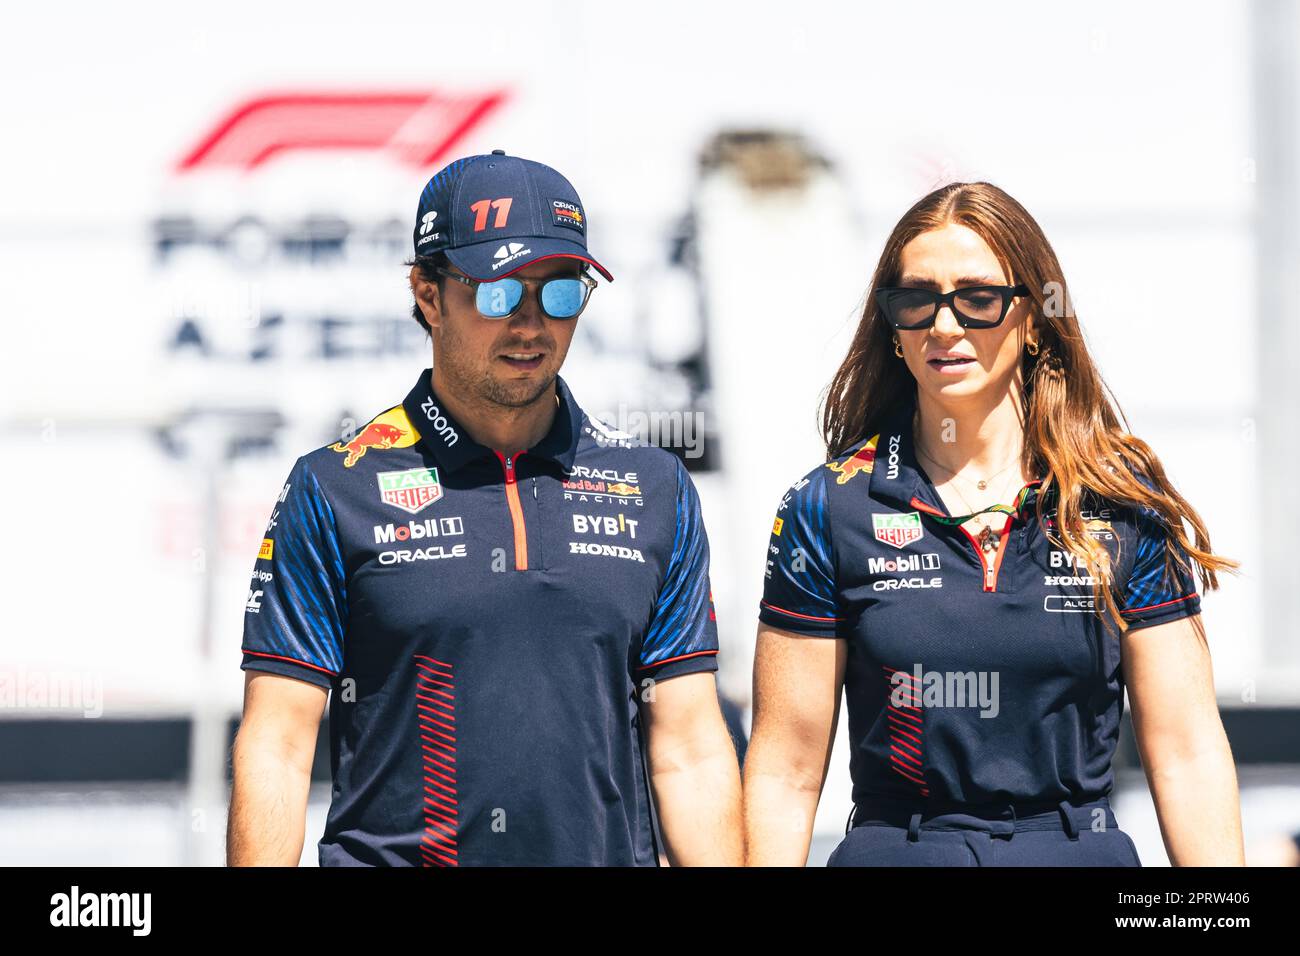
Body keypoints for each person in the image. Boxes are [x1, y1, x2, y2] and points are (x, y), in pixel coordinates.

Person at [228, 150, 742, 866]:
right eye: (500, 293)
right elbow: (278, 745)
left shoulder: (654, 486)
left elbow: (688, 747)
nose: (531, 324)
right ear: (429, 294)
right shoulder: (334, 486)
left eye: (561, 293)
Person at [742, 181, 1244, 866]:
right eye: (916, 300)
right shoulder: (827, 507)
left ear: (1035, 319)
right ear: (892, 329)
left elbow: (1186, 750)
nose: (944, 326)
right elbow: (785, 772)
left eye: (978, 299)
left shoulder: (1120, 502)